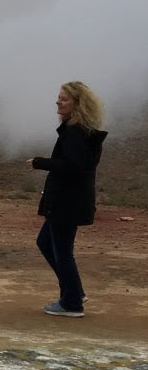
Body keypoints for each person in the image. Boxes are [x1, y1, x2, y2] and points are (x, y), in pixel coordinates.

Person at [28, 81, 108, 318]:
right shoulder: (79, 131)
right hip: (69, 200)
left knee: (62, 250)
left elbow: (73, 167)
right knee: (45, 243)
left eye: (64, 98)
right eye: (59, 97)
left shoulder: (75, 133)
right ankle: (75, 291)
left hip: (66, 202)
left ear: (77, 104)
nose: (58, 101)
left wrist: (39, 162)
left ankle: (72, 303)